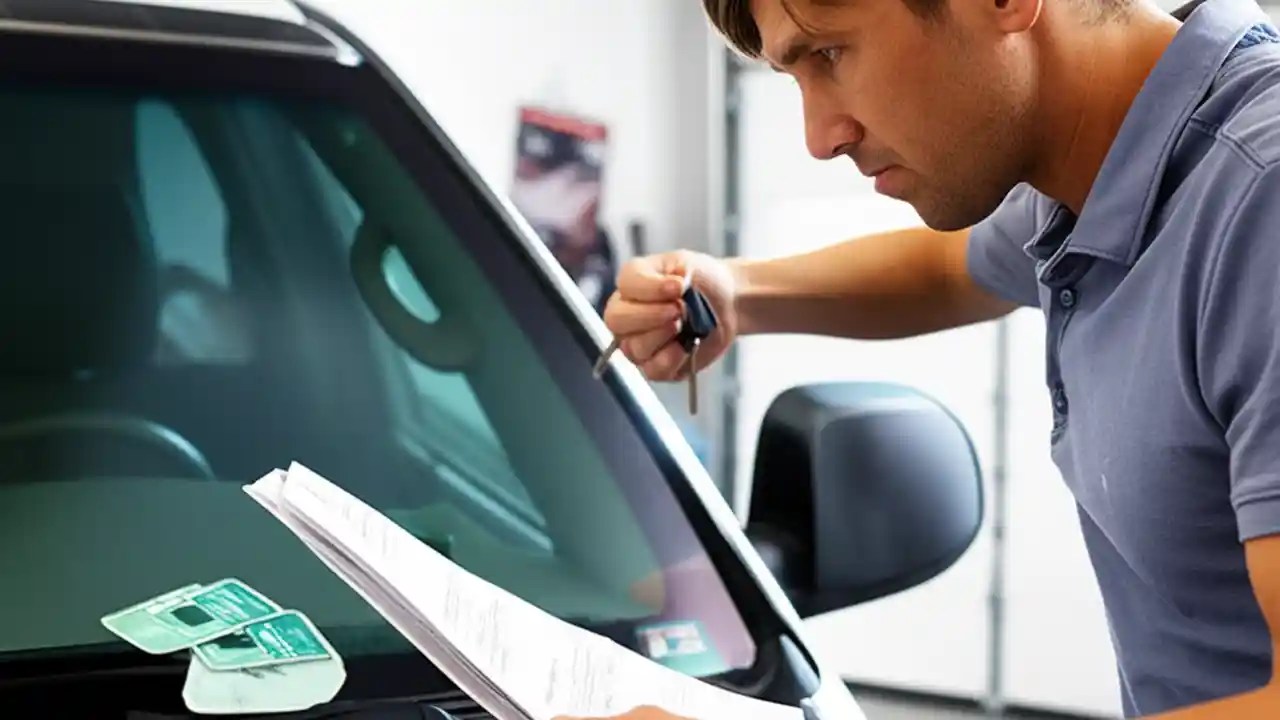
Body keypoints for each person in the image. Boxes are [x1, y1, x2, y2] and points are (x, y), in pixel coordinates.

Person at [564, 0, 1280, 717]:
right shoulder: (1093, 166)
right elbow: (947, 270)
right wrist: (738, 295)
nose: (819, 138)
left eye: (830, 54)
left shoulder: (1260, 202)